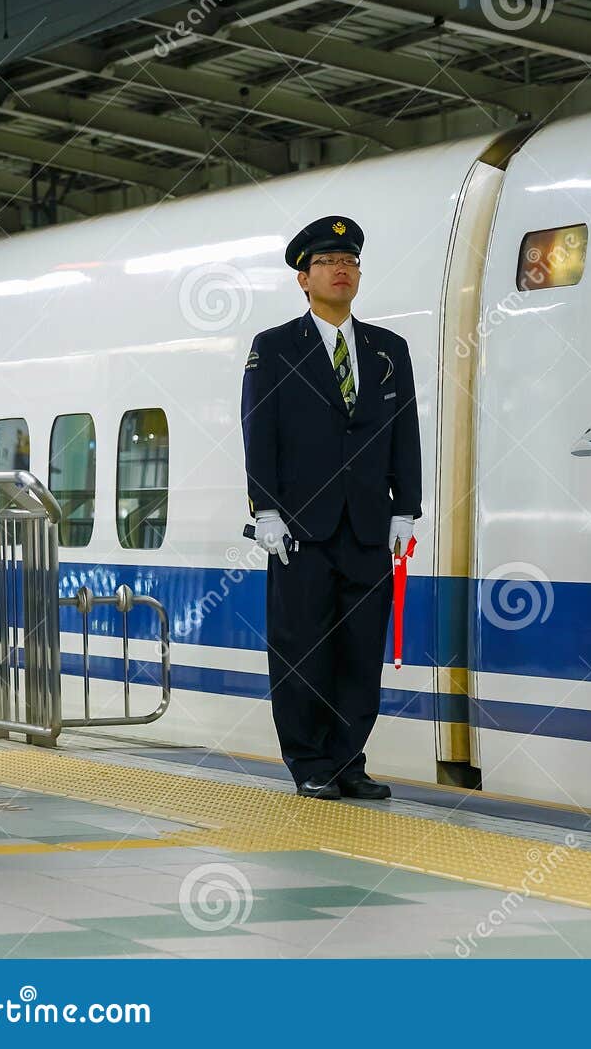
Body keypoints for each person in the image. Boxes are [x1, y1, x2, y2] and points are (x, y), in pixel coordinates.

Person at [239, 214, 422, 799]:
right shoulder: (273, 349)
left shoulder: (389, 351)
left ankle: (348, 759)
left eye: (349, 263)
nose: (341, 270)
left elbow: (405, 434)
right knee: (302, 650)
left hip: (368, 528)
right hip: (300, 532)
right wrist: (265, 509)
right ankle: (309, 760)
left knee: (359, 651)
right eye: (326, 263)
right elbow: (257, 434)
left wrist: (406, 508)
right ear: (303, 278)